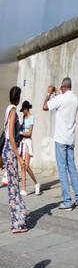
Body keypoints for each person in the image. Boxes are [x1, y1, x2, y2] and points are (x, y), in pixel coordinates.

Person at [43, 77, 78, 210]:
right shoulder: (75, 99)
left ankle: (67, 201)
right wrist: (58, 95)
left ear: (64, 87)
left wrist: (49, 93)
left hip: (60, 139)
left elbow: (45, 107)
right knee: (72, 168)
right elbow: (64, 102)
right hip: (71, 139)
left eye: (61, 87)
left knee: (62, 170)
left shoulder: (60, 99)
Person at [4, 87, 28, 233]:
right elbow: (11, 137)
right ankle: (17, 224)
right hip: (11, 151)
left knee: (12, 188)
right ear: (18, 98)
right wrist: (19, 157)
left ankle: (17, 221)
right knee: (14, 189)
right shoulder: (13, 112)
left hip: (8, 150)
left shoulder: (8, 109)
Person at [18, 101, 36, 195]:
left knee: (27, 165)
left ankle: (36, 183)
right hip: (22, 142)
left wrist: (20, 133)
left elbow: (29, 133)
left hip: (28, 142)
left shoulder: (31, 118)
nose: (23, 112)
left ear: (26, 109)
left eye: (23, 110)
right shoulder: (24, 118)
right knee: (22, 165)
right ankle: (23, 189)